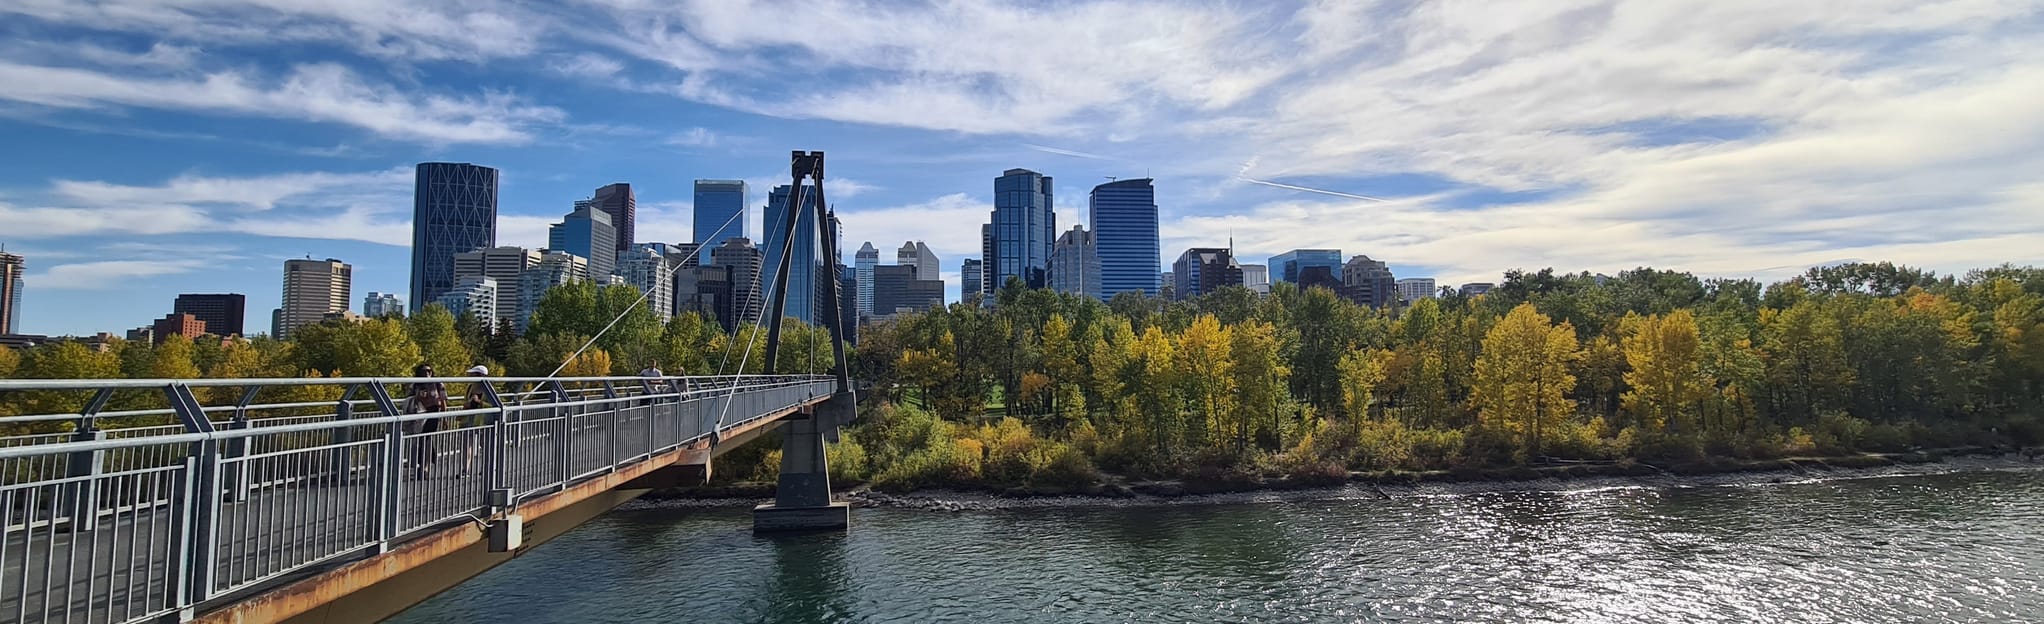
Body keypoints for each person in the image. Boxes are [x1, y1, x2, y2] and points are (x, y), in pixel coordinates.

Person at [404, 363, 448, 478]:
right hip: (418, 413)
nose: (427, 373)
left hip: (433, 412)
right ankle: (423, 464)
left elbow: (443, 400)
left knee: (426, 438)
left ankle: (425, 467)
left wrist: (444, 417)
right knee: (420, 439)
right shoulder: (415, 384)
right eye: (424, 371)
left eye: (429, 371)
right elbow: (408, 399)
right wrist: (418, 396)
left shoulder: (437, 383)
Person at [458, 365, 491, 478]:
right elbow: (465, 402)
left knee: (485, 446)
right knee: (466, 446)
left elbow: (494, 406)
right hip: (468, 420)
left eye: (473, 374)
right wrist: (465, 407)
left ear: (480, 375)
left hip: (482, 421)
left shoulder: (489, 389)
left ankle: (485, 469)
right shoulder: (470, 387)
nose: (470, 376)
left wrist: (479, 402)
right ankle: (465, 470)